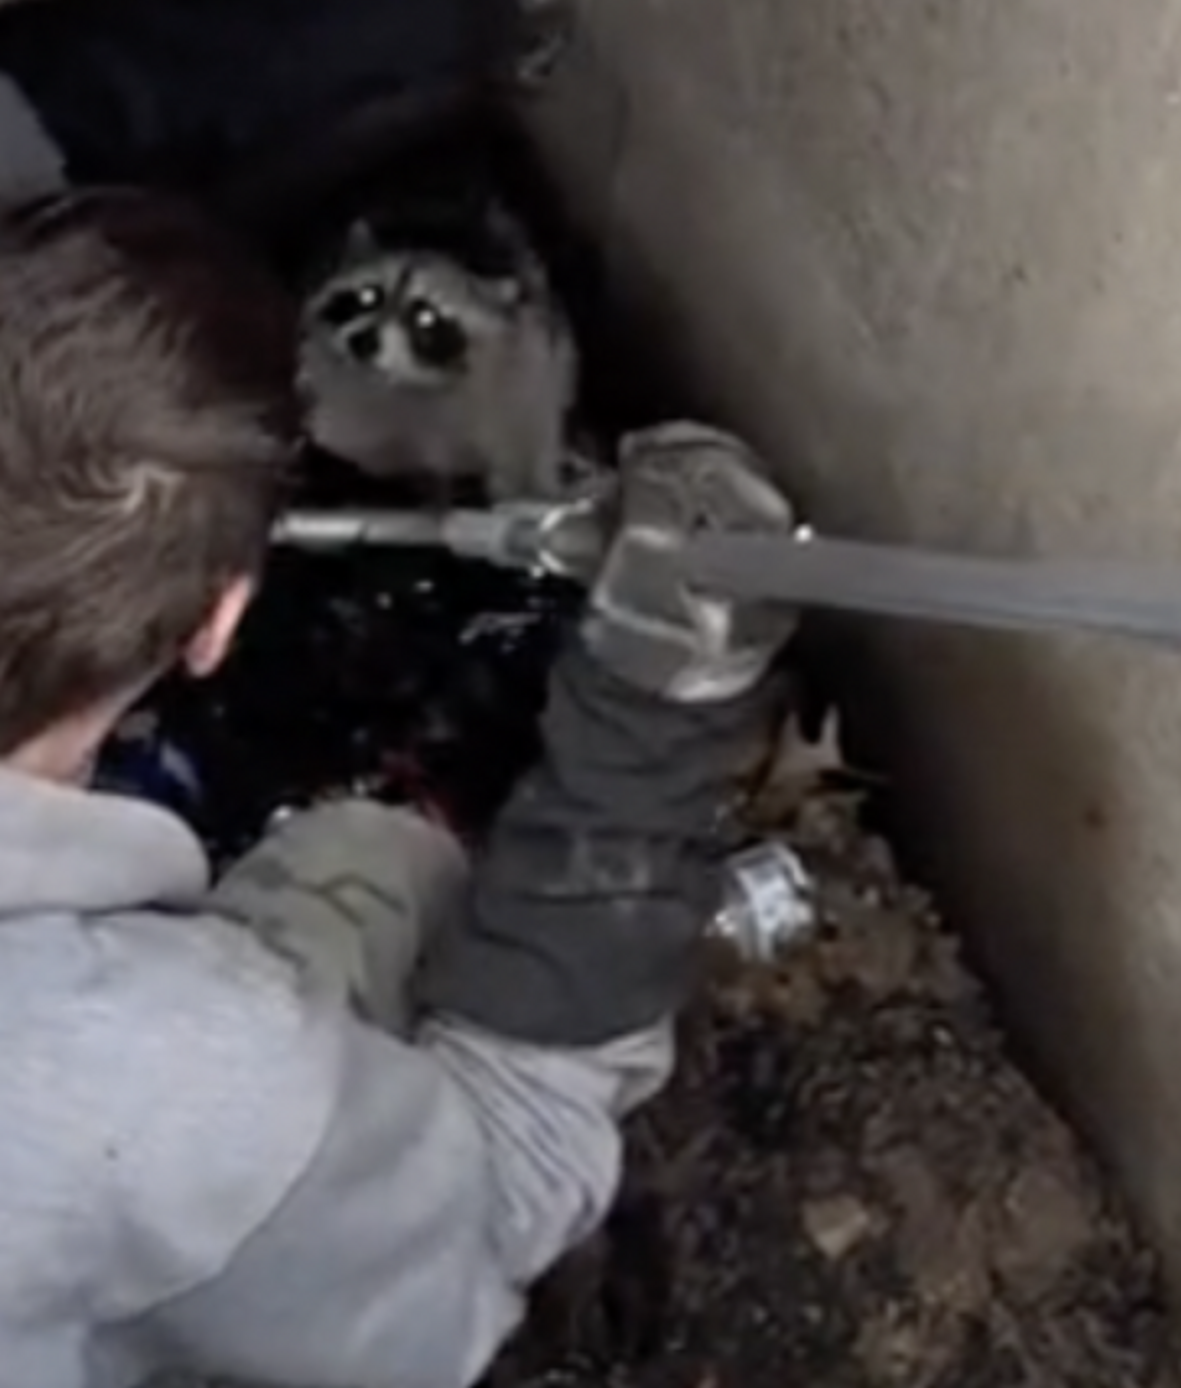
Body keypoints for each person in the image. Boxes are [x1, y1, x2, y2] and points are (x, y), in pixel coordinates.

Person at [0, 188, 798, 1388]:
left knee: (361, 860)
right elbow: (493, 1194)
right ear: (221, 618)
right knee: (388, 869)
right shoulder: (165, 1076)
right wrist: (653, 725)